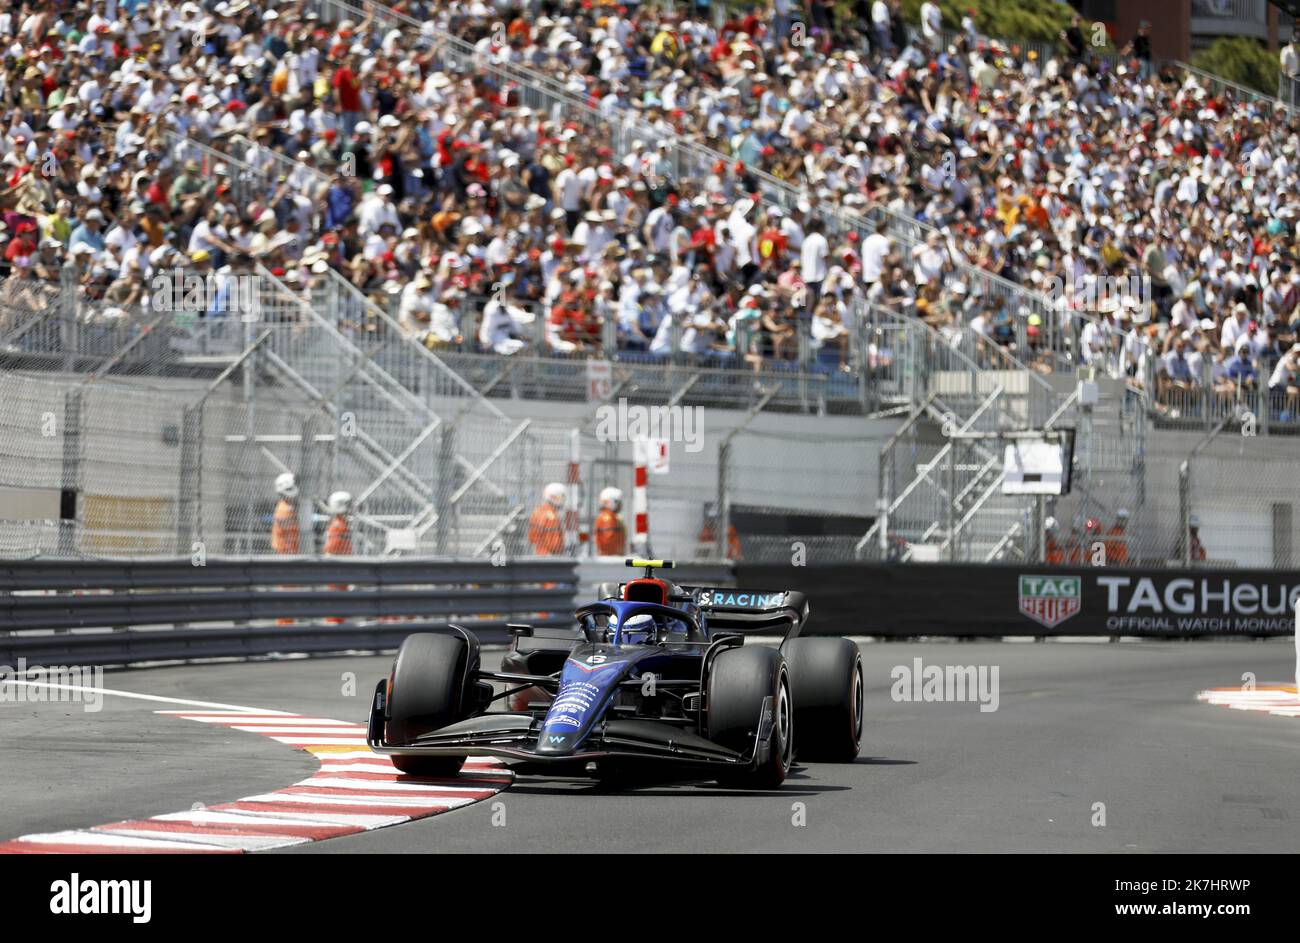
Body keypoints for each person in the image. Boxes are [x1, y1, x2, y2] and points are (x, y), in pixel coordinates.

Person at [528, 482, 566, 555]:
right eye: (561, 497)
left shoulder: (538, 511)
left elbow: (532, 536)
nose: (562, 501)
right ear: (553, 497)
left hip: (539, 550)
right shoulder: (551, 516)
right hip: (550, 553)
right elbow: (554, 540)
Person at [271, 472, 300, 554]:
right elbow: (291, 526)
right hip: (285, 550)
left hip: (291, 549)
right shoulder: (284, 508)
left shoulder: (289, 505)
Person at [594, 487, 627, 556]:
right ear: (611, 502)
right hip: (611, 558)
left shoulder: (609, 517)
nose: (620, 505)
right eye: (618, 502)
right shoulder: (608, 518)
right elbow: (608, 541)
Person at [324, 491, 353, 556]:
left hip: (344, 557)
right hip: (337, 559)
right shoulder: (338, 525)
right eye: (348, 505)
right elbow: (330, 550)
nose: (350, 508)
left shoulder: (342, 522)